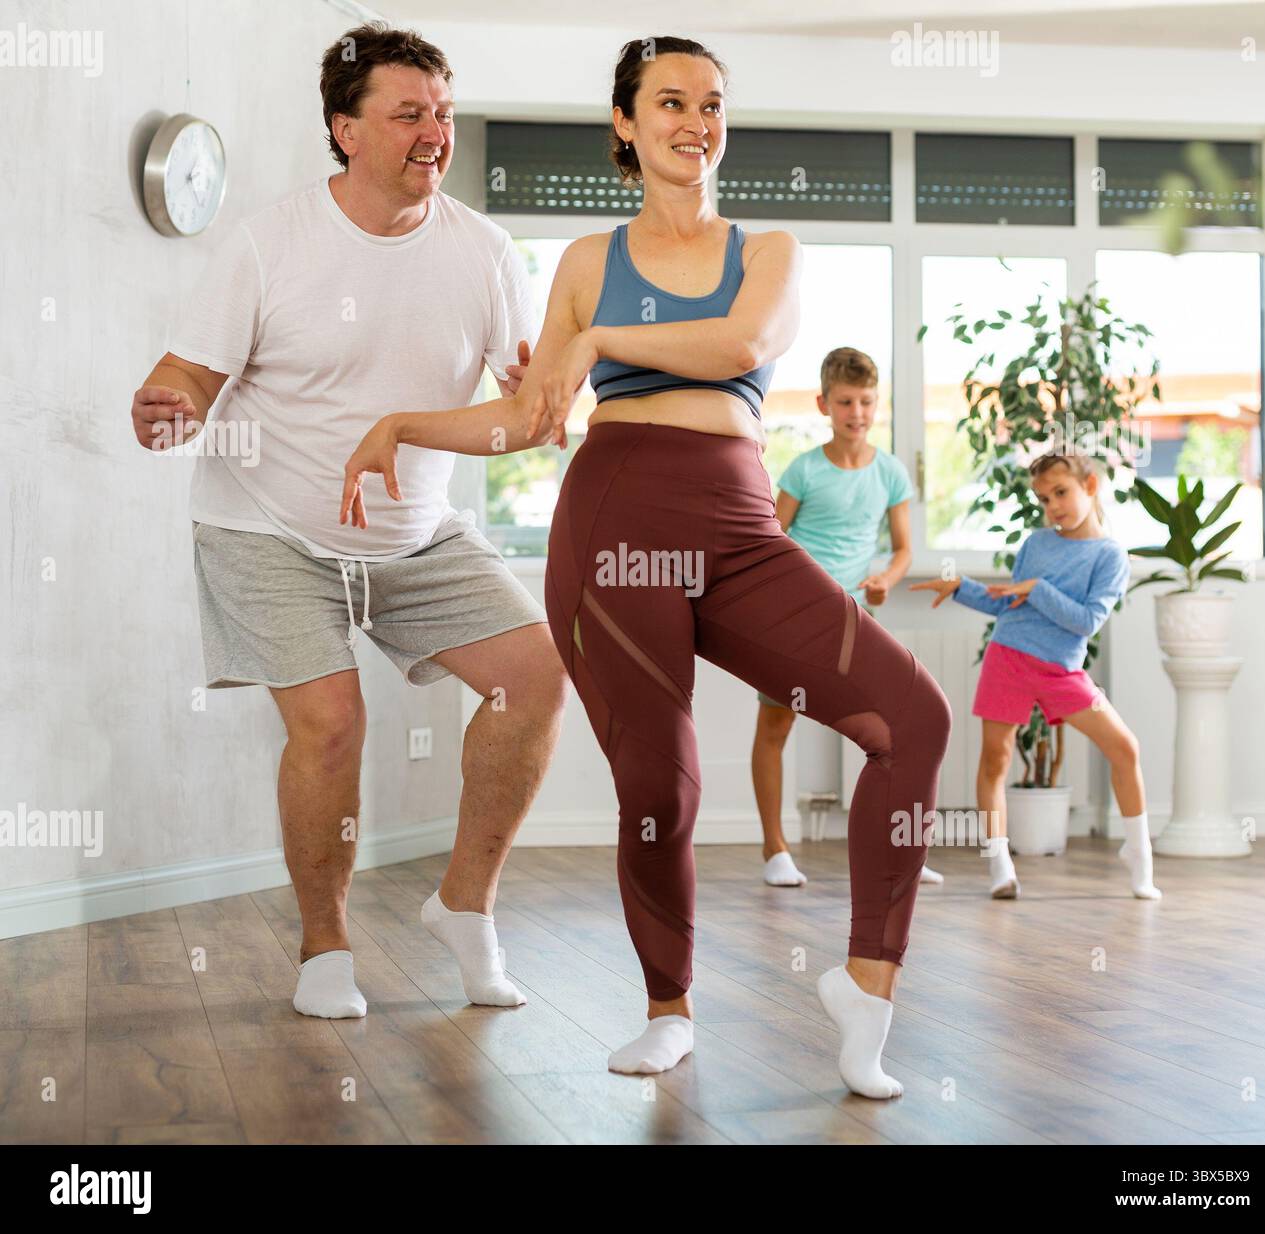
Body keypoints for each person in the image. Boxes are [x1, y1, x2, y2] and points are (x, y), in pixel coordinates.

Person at [341, 36, 952, 1099]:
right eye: (669, 101)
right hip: (615, 519)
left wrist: (593, 345)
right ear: (625, 123)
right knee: (661, 781)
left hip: (741, 521)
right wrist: (407, 423)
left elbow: (736, 345)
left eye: (712, 103)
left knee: (912, 716)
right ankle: (667, 1009)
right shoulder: (585, 260)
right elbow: (530, 423)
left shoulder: (767, 251)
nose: (695, 121)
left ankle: (864, 982)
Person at [129, 23, 568, 1020]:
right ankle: (324, 945)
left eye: (443, 113)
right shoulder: (268, 242)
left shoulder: (486, 253)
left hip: (416, 535)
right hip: (270, 530)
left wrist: (536, 407)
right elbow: (188, 376)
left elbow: (519, 418)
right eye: (409, 112)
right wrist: (167, 404)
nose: (434, 132)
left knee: (535, 677)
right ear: (346, 129)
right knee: (331, 726)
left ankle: (467, 904)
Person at [910, 451, 1158, 900]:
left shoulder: (1110, 556)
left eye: (1060, 493)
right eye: (1044, 499)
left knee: (1124, 747)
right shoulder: (1036, 544)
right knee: (996, 760)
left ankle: (1139, 857)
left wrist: (1038, 589)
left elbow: (1085, 622)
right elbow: (1010, 602)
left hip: (1063, 669)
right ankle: (1000, 865)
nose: (1052, 507)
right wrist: (961, 588)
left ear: (1091, 485)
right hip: (1009, 656)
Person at [752, 346, 942, 890]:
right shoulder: (804, 471)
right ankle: (775, 849)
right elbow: (770, 539)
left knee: (897, 726)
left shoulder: (890, 473)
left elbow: (904, 549)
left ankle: (900, 845)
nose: (856, 412)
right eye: (844, 402)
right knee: (776, 726)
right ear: (824, 404)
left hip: (853, 620)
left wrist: (885, 578)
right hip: (793, 619)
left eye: (865, 401)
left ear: (876, 404)